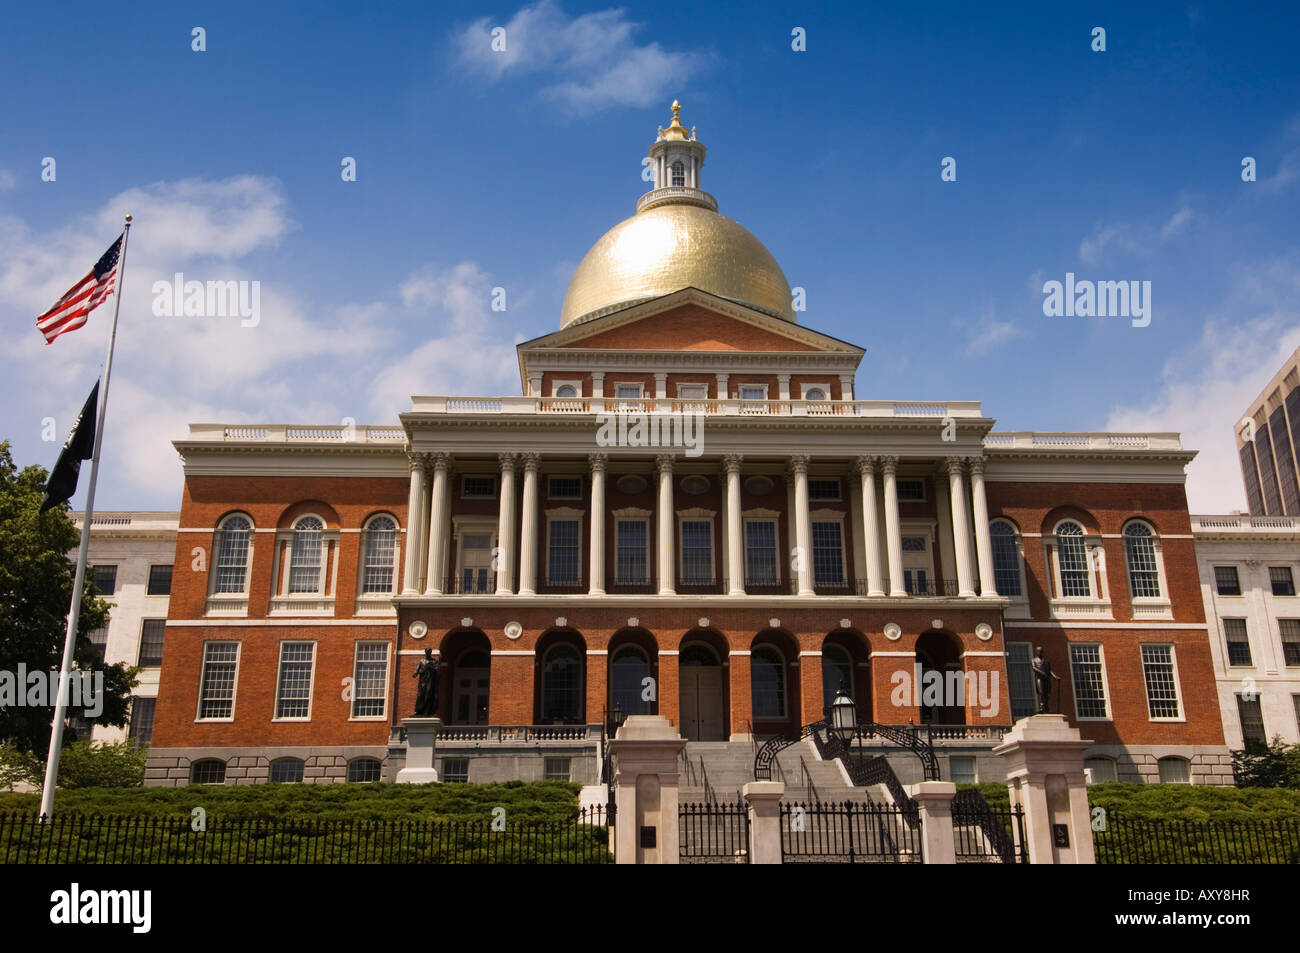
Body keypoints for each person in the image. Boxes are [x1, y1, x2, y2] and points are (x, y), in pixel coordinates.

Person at [1031, 646, 1060, 714]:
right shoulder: (1034, 660)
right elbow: (1034, 668)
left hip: (1046, 679)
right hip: (1039, 678)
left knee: (1046, 693)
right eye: (1038, 651)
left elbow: (1050, 671)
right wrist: (1042, 673)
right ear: (1036, 652)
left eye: (1041, 651)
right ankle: (1041, 708)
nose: (1040, 652)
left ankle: (1046, 708)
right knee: (1041, 692)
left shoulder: (1047, 661)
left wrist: (1055, 676)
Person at [413, 647, 440, 717]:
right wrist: (415, 673)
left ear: (431, 653)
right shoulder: (422, 661)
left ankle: (427, 711)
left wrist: (431, 667)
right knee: (420, 695)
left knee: (428, 695)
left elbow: (438, 671)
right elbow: (417, 669)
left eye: (429, 652)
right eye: (427, 652)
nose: (428, 653)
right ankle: (418, 711)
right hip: (422, 681)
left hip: (430, 681)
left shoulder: (434, 661)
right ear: (425, 653)